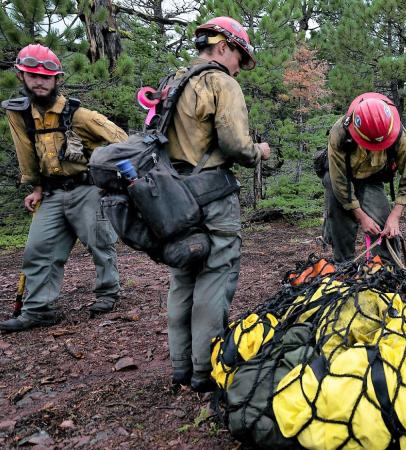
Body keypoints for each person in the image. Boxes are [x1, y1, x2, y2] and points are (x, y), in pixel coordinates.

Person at [165, 17, 270, 392]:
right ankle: (205, 371)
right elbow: (234, 146)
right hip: (211, 194)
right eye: (240, 57)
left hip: (172, 196)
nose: (239, 68)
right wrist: (259, 150)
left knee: (183, 275)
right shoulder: (220, 82)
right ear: (223, 46)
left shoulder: (174, 80)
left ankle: (180, 367)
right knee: (215, 274)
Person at [0, 44, 128, 333]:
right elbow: (25, 153)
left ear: (56, 79)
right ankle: (37, 310)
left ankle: (108, 293)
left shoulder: (78, 114)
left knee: (100, 243)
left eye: (46, 77)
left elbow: (120, 138)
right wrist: (35, 187)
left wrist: (104, 167)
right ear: (21, 76)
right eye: (32, 76)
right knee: (38, 249)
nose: (39, 82)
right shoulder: (20, 115)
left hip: (87, 189)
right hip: (52, 193)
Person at [323, 92, 406, 264]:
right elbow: (339, 181)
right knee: (340, 222)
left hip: (372, 179)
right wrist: (361, 216)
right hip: (341, 179)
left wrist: (395, 216)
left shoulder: (401, 138)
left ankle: (387, 268)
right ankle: (344, 265)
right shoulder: (340, 133)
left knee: (383, 228)